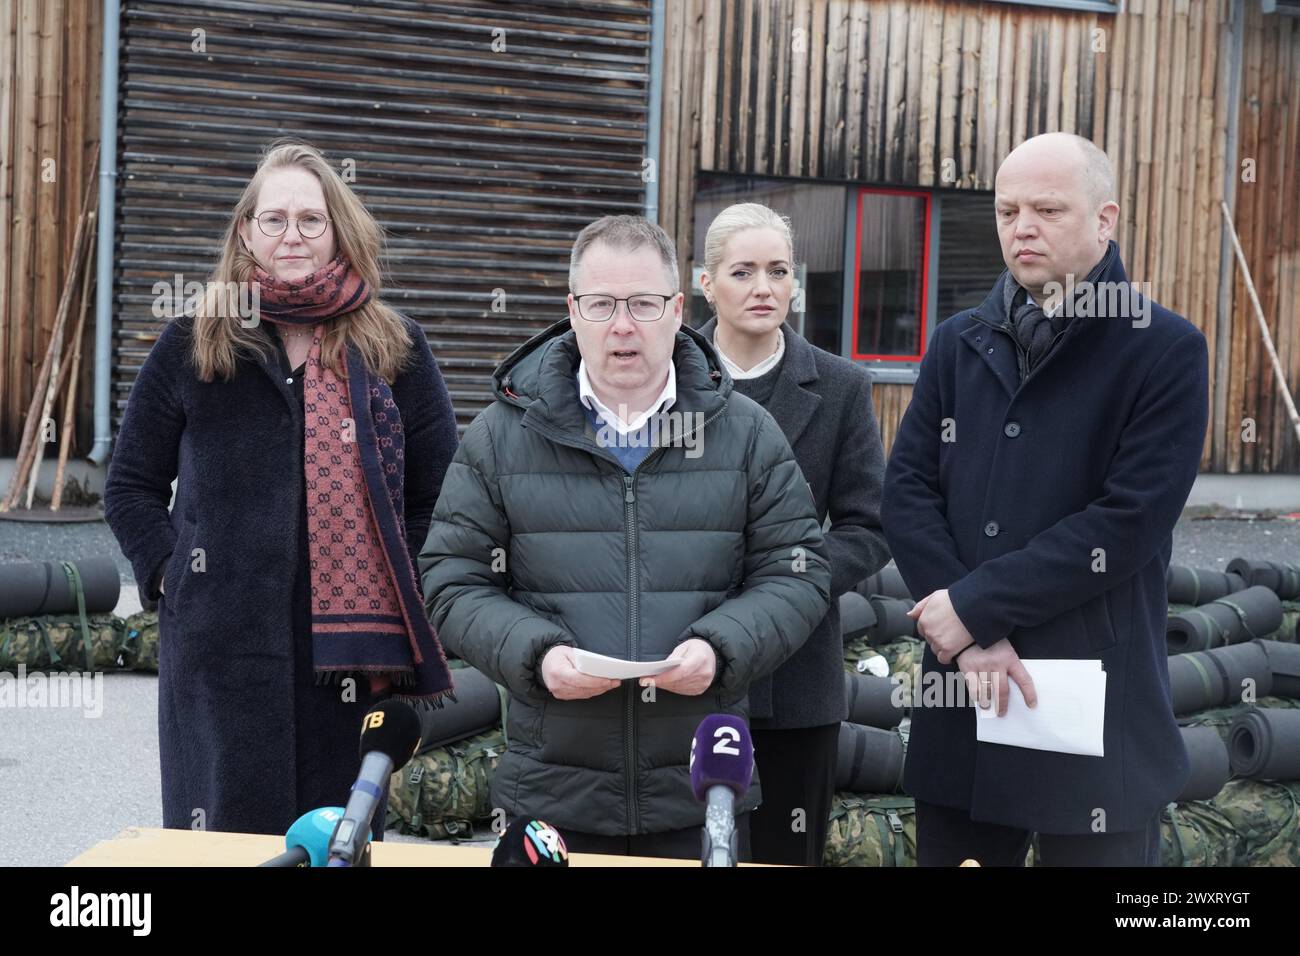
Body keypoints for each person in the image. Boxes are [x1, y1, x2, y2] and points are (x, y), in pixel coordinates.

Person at [418, 215, 831, 860]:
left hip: (700, 795)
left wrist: (722, 648)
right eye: (602, 304)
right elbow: (450, 579)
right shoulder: (501, 435)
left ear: (676, 309)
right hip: (550, 796)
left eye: (642, 304)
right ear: (573, 311)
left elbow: (798, 571)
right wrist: (538, 655)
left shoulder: (746, 433)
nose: (622, 325)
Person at [103, 140, 457, 838]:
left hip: (350, 670)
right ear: (247, 234)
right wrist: (177, 577)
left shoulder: (396, 348)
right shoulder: (195, 342)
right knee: (222, 845)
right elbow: (131, 486)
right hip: (218, 655)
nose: (291, 235)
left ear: (337, 231)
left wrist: (399, 576)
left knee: (338, 841)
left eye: (310, 219)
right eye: (274, 220)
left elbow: (440, 496)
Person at [882, 132, 1209, 866]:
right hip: (965, 704)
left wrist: (975, 608)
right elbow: (905, 492)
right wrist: (964, 629)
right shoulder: (957, 342)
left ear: (1106, 219)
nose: (1020, 227)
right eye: (1006, 211)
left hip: (1094, 711)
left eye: (1046, 209)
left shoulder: (1163, 349)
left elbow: (1129, 521)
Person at [696, 202, 890, 866]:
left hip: (796, 674)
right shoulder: (665, 379)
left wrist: (790, 582)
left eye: (779, 271)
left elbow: (870, 526)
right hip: (682, 664)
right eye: (743, 271)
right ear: (705, 283)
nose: (763, 287)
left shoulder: (839, 387)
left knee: (785, 854)